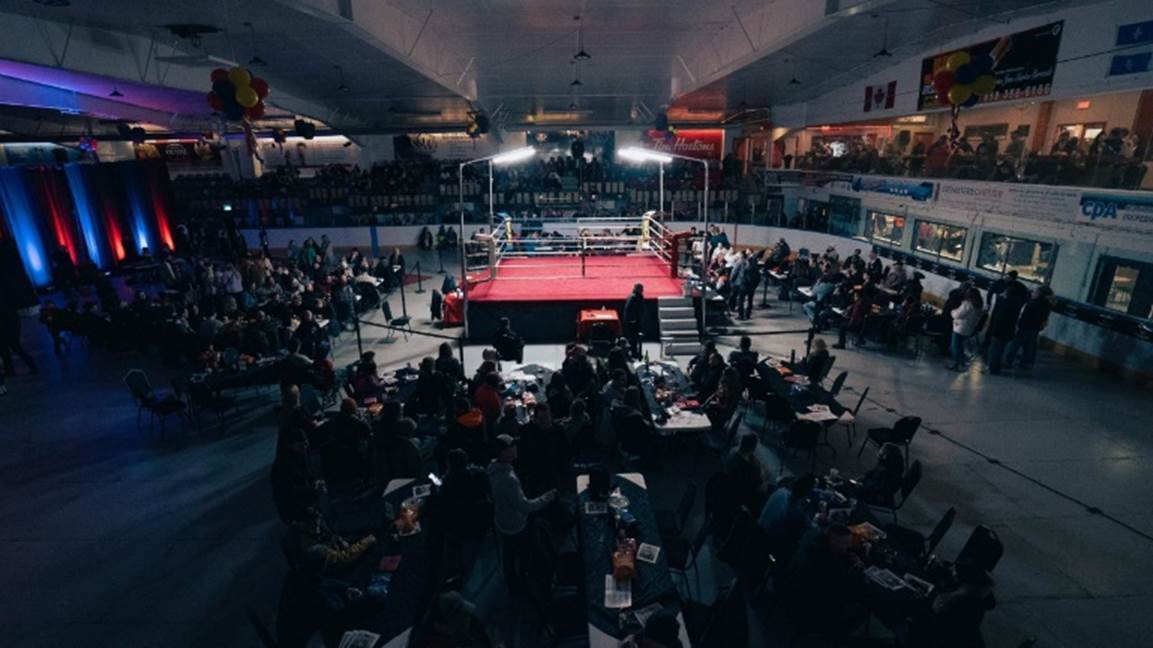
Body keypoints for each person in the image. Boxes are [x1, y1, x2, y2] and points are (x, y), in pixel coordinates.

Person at [487, 434, 556, 593]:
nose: (515, 448)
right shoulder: (508, 479)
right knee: (525, 554)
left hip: (501, 521)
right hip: (516, 525)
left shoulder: (491, 469)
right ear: (503, 452)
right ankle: (523, 583)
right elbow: (524, 506)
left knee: (508, 554)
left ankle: (511, 580)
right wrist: (546, 498)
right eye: (512, 446)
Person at [906, 562, 996, 648]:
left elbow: (932, 625)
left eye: (955, 573)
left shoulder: (956, 603)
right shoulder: (977, 598)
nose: (952, 572)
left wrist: (921, 602)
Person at [516, 403, 569, 498]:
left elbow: (565, 451)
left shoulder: (558, 431)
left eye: (547, 417)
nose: (546, 421)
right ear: (535, 419)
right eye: (542, 419)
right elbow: (521, 454)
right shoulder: (526, 432)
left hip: (553, 474)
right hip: (534, 475)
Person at [758, 475, 815, 563]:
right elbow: (810, 529)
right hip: (767, 545)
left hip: (758, 531)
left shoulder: (781, 492)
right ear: (805, 496)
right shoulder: (794, 511)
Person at [985, 271, 1028, 375]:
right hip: (1008, 330)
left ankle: (992, 368)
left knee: (995, 349)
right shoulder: (1016, 303)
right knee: (1001, 349)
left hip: (999, 329)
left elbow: (999, 320)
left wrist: (993, 331)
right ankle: (996, 367)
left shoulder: (1005, 306)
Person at [1003, 285, 1054, 372]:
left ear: (1040, 294)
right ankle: (1026, 363)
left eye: (1035, 292)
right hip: (1035, 328)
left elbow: (1025, 317)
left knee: (1015, 345)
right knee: (1029, 346)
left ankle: (1008, 362)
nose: (1032, 293)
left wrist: (1018, 325)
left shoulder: (1031, 304)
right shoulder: (1047, 305)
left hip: (1025, 327)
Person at [724, 432, 770, 511]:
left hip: (730, 490)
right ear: (753, 448)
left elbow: (755, 460)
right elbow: (761, 490)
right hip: (743, 498)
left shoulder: (733, 451)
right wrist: (765, 480)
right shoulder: (749, 469)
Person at [948, 288, 984, 371]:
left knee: (954, 347)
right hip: (968, 329)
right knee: (959, 347)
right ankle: (958, 364)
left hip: (960, 328)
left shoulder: (967, 304)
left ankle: (959, 363)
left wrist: (952, 311)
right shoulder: (978, 305)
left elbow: (958, 315)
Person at [623, 283, 645, 359]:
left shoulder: (635, 296)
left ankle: (634, 352)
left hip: (634, 320)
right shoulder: (634, 297)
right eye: (641, 288)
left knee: (634, 338)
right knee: (633, 338)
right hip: (633, 321)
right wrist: (632, 319)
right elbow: (629, 309)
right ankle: (634, 353)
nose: (642, 290)